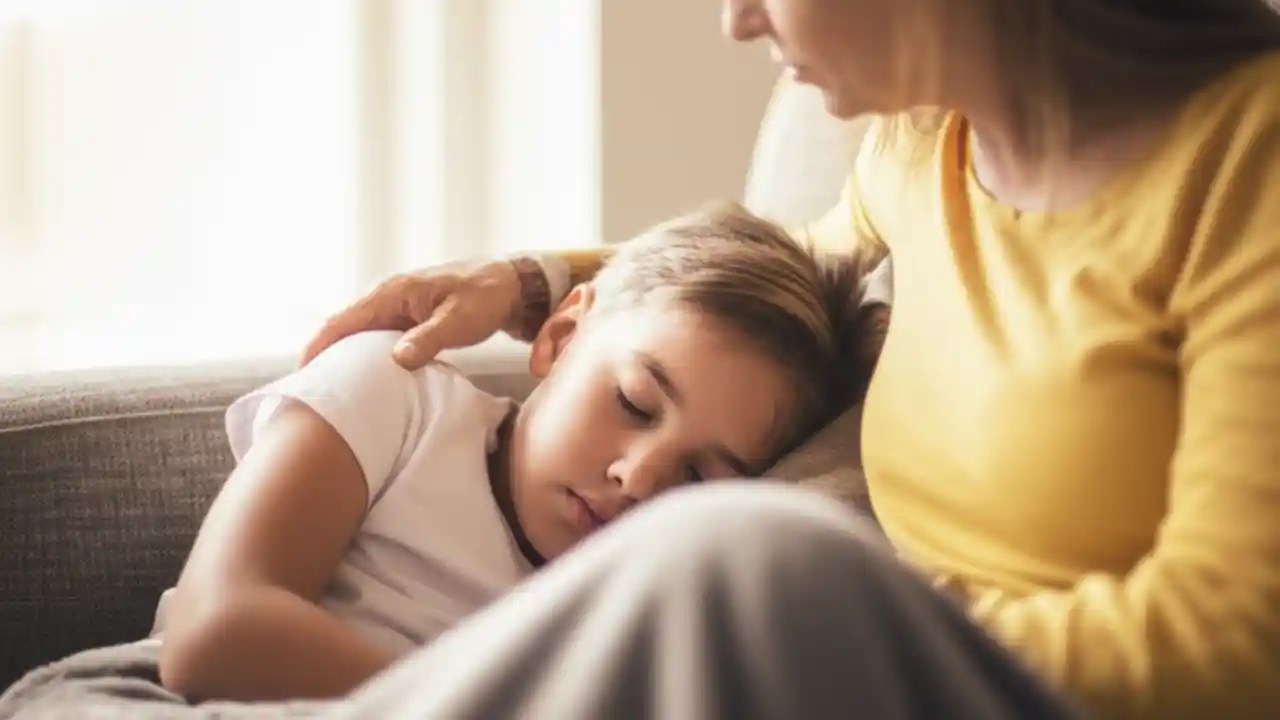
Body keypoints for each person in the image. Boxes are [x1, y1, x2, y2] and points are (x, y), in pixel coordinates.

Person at [302, 1, 1280, 719]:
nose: (737, 21)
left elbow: (1237, 647)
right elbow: (776, 278)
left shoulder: (1249, 159)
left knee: (738, 555)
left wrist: (843, 639)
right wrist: (532, 282)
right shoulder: (920, 145)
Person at [148, 203, 878, 703]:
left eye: (699, 474)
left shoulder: (643, 607)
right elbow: (213, 633)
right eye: (633, 403)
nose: (638, 477)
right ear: (561, 337)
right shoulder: (400, 395)